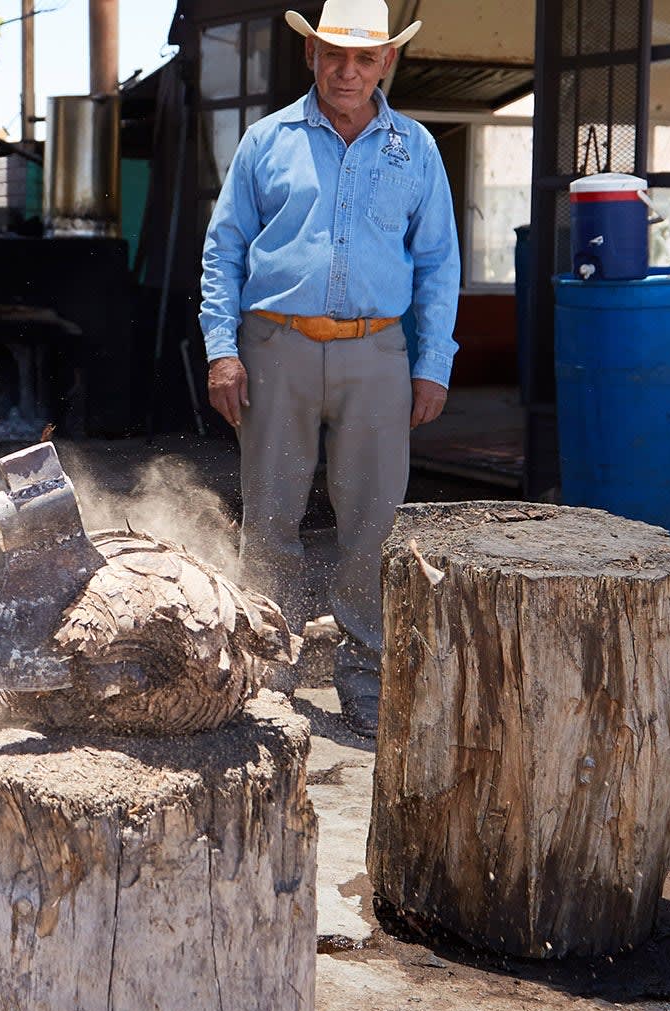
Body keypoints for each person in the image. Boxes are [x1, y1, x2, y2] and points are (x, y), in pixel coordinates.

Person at [199, 0, 459, 733]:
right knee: (272, 515)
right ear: (310, 55)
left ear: (388, 63)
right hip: (274, 348)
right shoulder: (265, 141)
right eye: (334, 55)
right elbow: (222, 252)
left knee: (372, 523)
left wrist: (433, 362)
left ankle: (367, 677)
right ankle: (270, 673)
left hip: (378, 353)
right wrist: (223, 349)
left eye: (365, 57)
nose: (349, 71)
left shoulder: (415, 148)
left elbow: (440, 262)